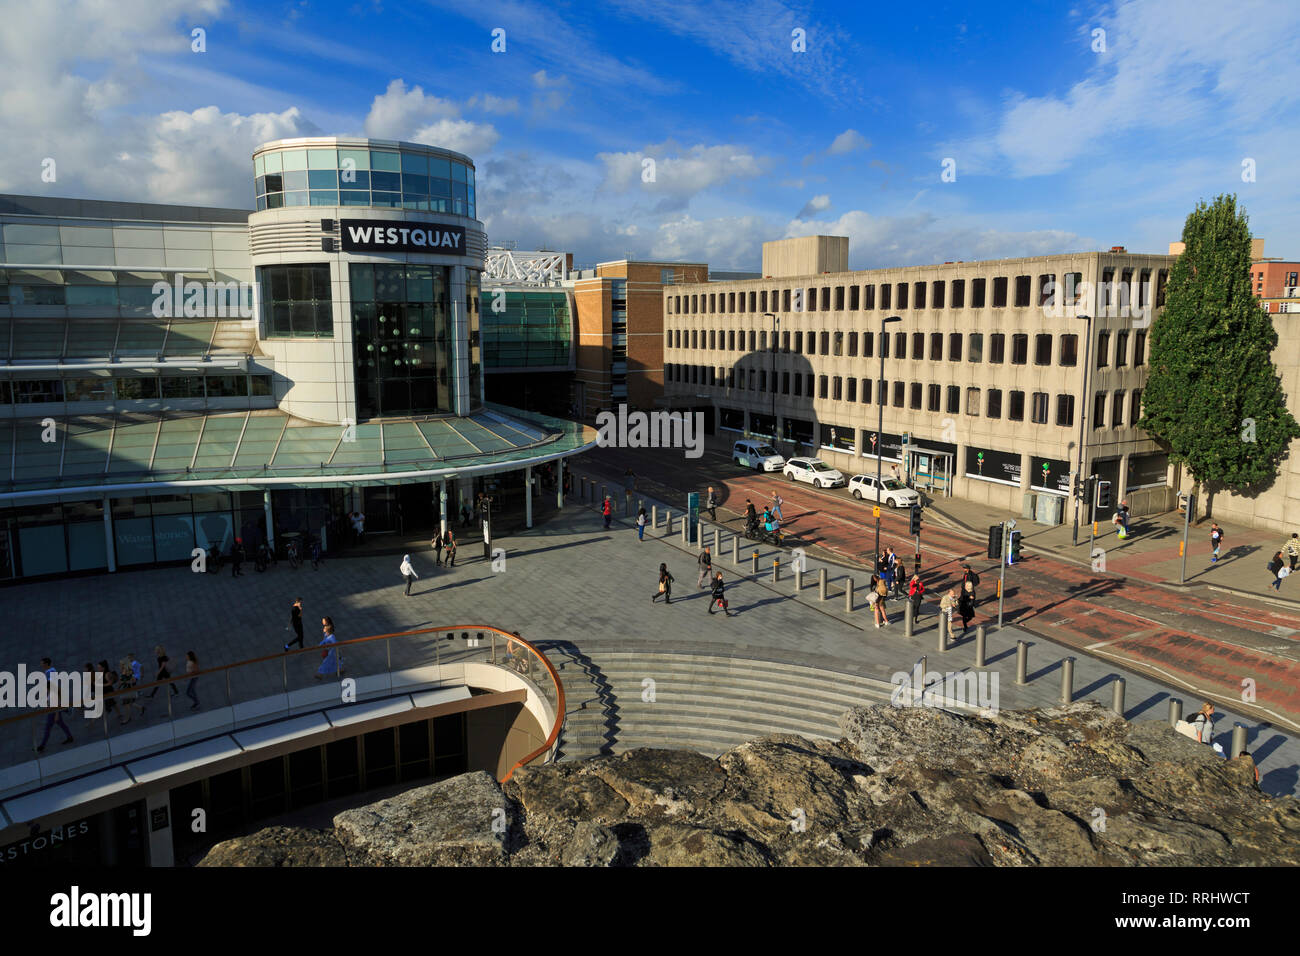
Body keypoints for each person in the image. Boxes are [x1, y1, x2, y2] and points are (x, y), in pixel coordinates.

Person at [34, 657, 74, 752]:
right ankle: (69, 737)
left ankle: (42, 746)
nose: (41, 665)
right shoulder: (51, 673)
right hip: (53, 707)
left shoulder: (50, 676)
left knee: (48, 726)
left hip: (54, 709)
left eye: (42, 663)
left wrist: (56, 713)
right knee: (60, 723)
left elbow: (56, 699)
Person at [116, 657, 145, 724]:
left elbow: (133, 681)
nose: (119, 666)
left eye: (120, 664)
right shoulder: (124, 672)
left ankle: (127, 719)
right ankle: (141, 708)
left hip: (127, 691)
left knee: (127, 705)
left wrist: (124, 682)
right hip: (125, 690)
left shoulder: (128, 672)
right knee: (129, 704)